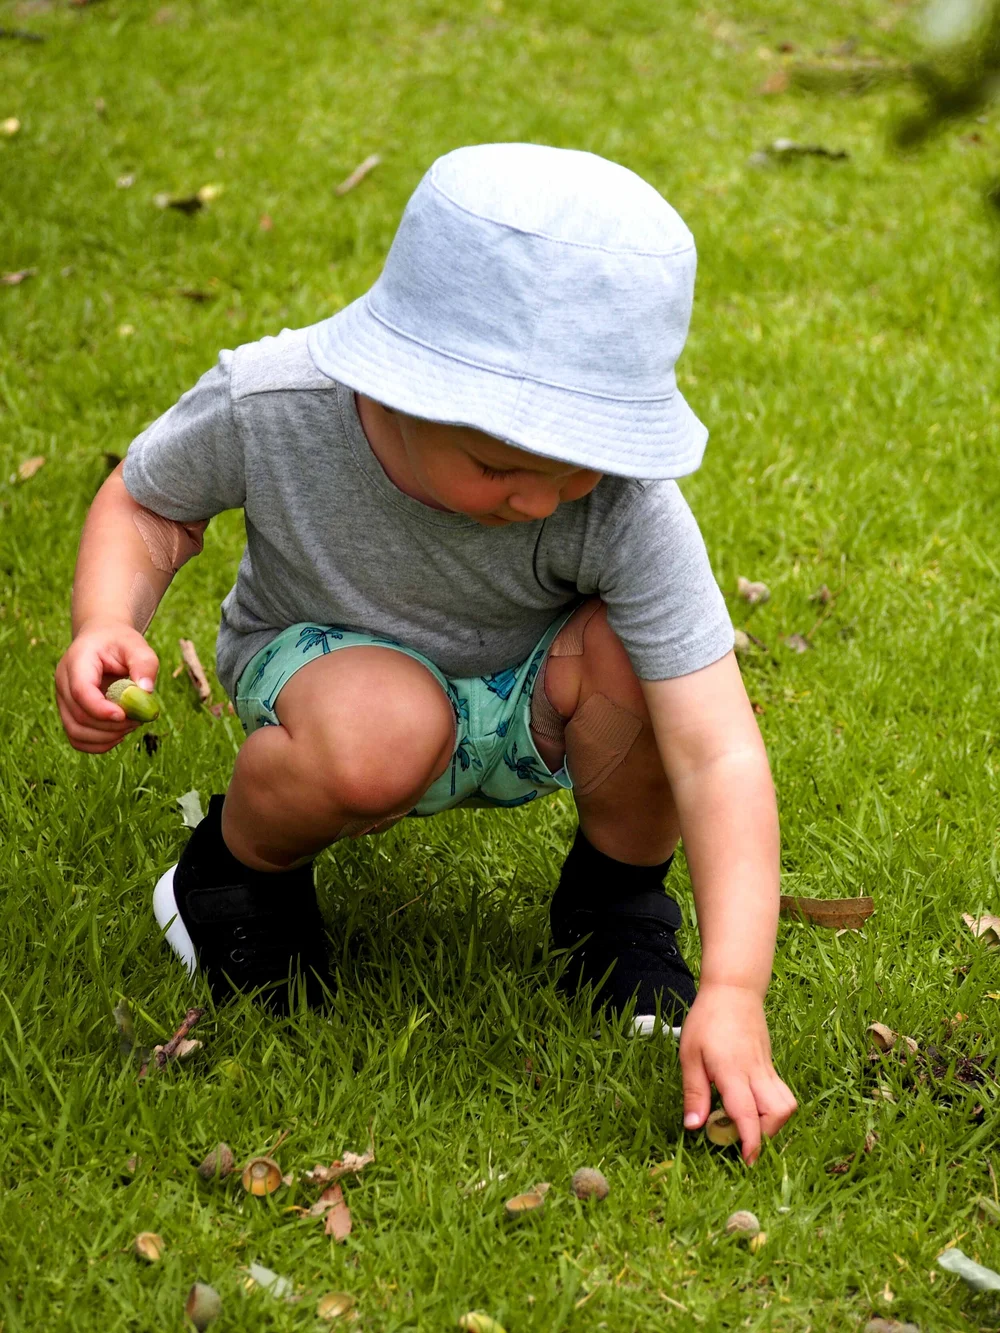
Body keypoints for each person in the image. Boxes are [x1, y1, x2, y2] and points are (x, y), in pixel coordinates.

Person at [56, 143, 796, 1162]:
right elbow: (148, 504)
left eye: (578, 468)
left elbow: (718, 749)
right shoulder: (276, 403)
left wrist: (735, 986)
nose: (542, 498)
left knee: (644, 658)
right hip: (327, 675)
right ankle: (235, 875)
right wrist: (107, 617)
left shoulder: (624, 501)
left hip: (526, 690)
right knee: (388, 724)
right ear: (396, 384)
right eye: (500, 464)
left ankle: (615, 912)